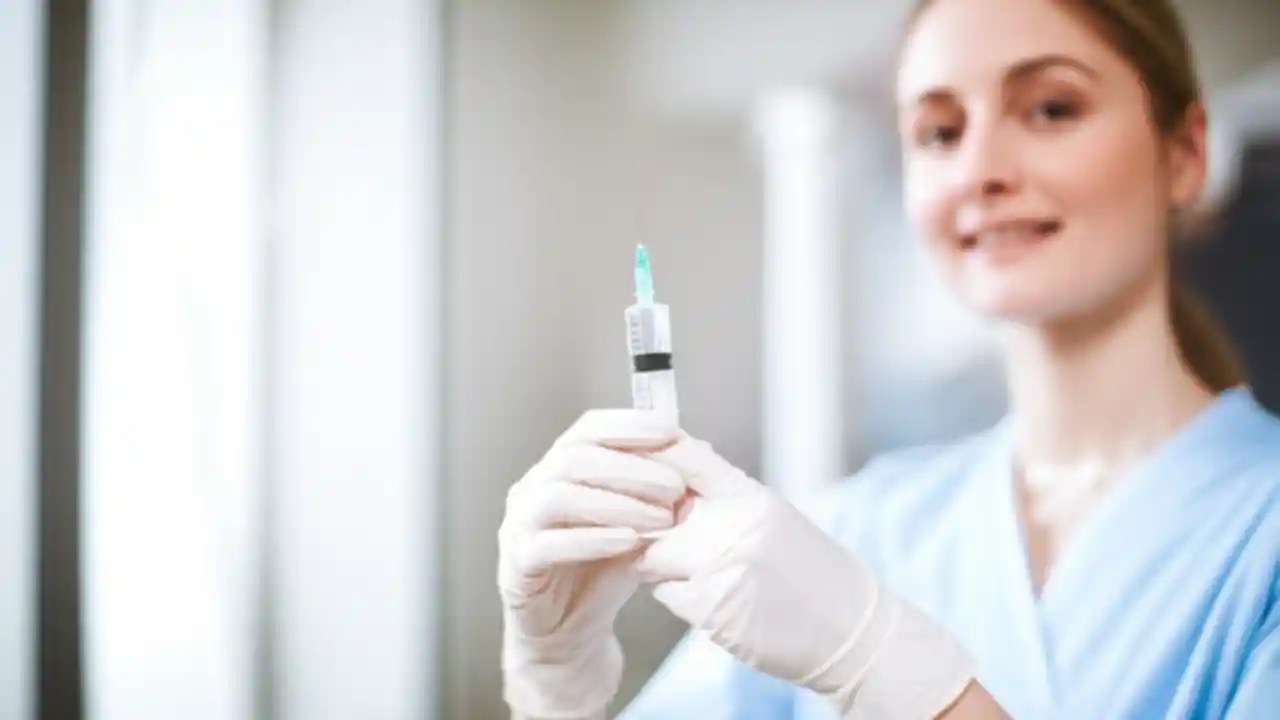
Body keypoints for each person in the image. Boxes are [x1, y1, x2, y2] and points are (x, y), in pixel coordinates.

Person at [496, 0, 1280, 717]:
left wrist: (890, 672)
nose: (980, 170)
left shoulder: (1260, 534)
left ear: (1186, 153)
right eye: (939, 132)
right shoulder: (861, 528)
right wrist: (556, 681)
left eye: (1050, 109)